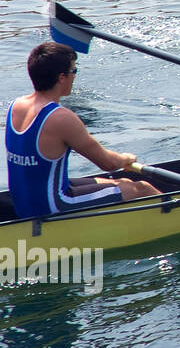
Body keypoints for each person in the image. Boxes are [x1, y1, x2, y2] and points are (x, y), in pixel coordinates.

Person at [5, 42, 160, 219]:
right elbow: (108, 163)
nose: (75, 76)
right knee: (141, 188)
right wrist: (126, 158)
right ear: (62, 77)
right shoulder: (61, 118)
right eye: (74, 71)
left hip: (23, 202)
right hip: (53, 206)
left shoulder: (16, 105)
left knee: (120, 182)